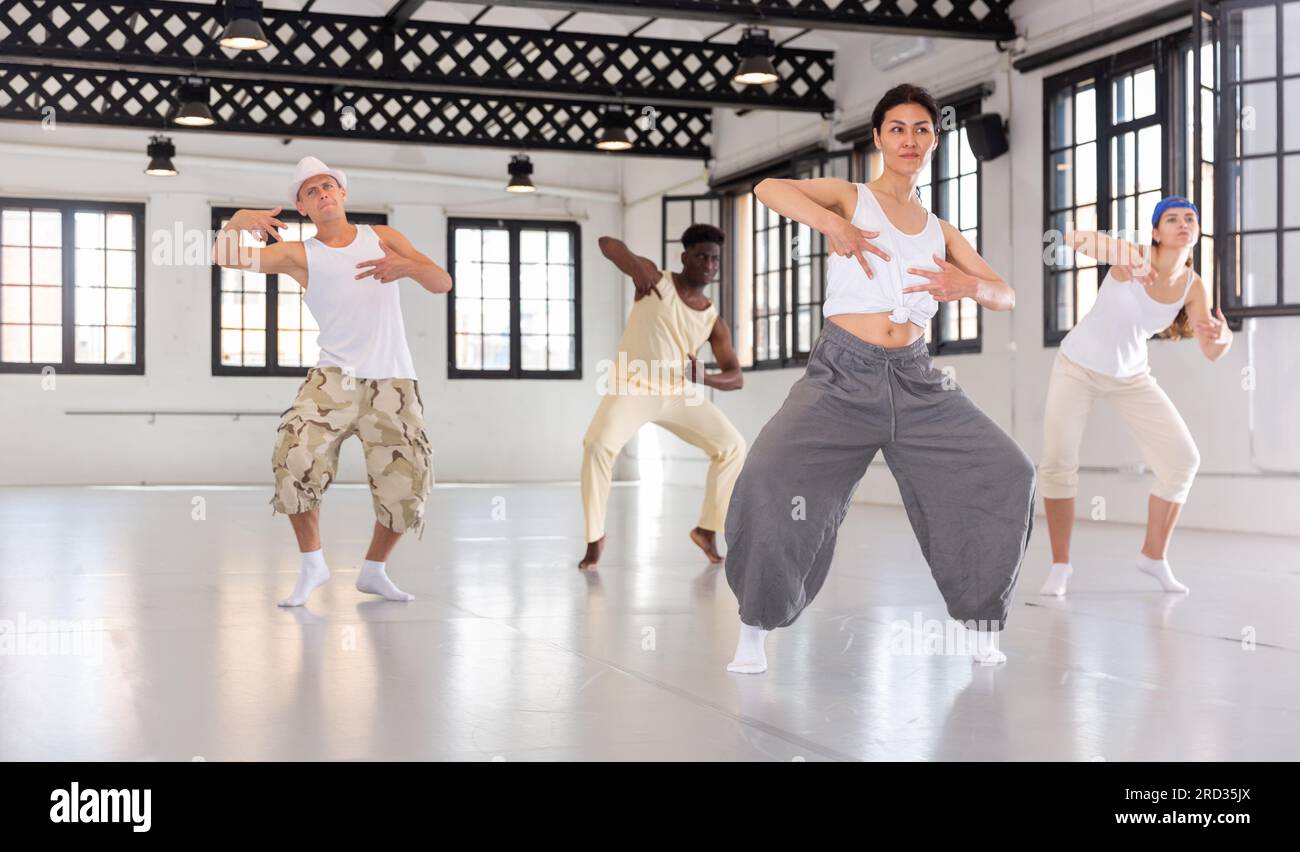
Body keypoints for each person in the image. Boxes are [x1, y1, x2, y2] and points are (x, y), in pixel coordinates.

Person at [722, 84, 1036, 673]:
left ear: (934, 141)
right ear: (878, 137)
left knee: (1008, 470)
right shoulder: (851, 196)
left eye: (921, 129)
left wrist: (967, 285)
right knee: (769, 475)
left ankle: (981, 624)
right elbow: (769, 188)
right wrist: (831, 225)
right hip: (841, 374)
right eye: (897, 128)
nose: (909, 140)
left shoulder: (941, 230)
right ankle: (753, 629)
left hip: (917, 380)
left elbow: (1006, 294)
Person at [211, 156, 452, 607]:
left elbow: (441, 282)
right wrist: (238, 221)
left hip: (393, 380)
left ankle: (375, 571)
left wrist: (409, 268)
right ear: (303, 208)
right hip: (334, 378)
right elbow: (223, 256)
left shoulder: (382, 238)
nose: (321, 194)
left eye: (327, 186)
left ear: (342, 193)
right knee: (294, 454)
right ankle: (312, 566)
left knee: (409, 481)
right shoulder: (301, 254)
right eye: (310, 192)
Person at [1038, 197, 1232, 597]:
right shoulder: (1135, 255)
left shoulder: (1193, 286)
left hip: (1130, 375)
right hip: (1076, 366)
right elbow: (1072, 238)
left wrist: (1224, 339)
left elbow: (1210, 350)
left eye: (1190, 218)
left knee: (1183, 461)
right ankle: (1060, 566)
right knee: (1058, 463)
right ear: (1156, 232)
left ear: (1196, 231)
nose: (1183, 224)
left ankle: (1153, 556)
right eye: (1172, 219)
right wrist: (1118, 253)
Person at [579, 225, 746, 570]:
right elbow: (606, 242)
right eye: (701, 256)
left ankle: (706, 529)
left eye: (715, 259)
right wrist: (635, 266)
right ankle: (595, 537)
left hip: (678, 392)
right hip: (633, 386)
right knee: (597, 445)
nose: (709, 264)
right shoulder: (655, 282)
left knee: (732, 446)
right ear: (685, 258)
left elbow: (736, 376)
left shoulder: (714, 319)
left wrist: (707, 377)